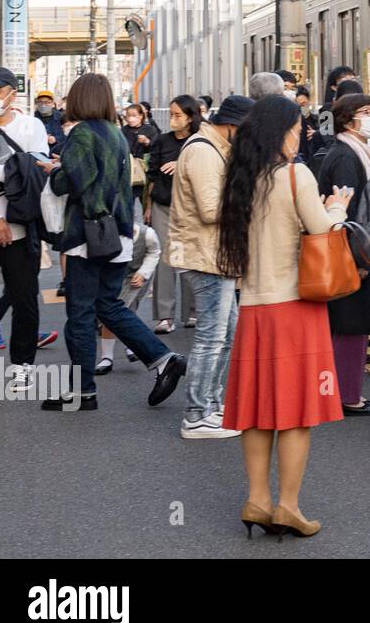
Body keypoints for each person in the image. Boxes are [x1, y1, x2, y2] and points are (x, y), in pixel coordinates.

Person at [217, 95, 350, 538]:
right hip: (295, 307)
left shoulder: (241, 179)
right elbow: (322, 231)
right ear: (282, 132)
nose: (302, 135)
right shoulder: (296, 175)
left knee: (256, 410)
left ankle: (256, 499)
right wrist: (338, 209)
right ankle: (288, 506)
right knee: (296, 412)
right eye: (297, 128)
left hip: (253, 308)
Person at [42, 73, 187, 412]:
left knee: (80, 313)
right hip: (119, 232)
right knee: (108, 305)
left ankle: (82, 391)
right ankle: (164, 359)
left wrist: (53, 171)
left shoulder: (80, 135)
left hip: (88, 235)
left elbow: (73, 183)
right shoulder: (116, 134)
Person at [167, 94, 252, 439]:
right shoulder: (203, 150)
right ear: (233, 126)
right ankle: (197, 414)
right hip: (204, 255)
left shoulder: (215, 147)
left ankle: (212, 405)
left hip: (214, 255)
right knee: (211, 338)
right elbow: (210, 209)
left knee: (226, 335)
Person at [0, 67, 51, 402]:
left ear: (11, 94)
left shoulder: (30, 125)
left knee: (24, 297)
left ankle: (22, 364)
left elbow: (36, 169)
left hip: (23, 226)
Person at [315, 93, 370, 416]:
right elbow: (349, 212)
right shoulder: (345, 156)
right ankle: (347, 395)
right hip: (350, 254)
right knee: (350, 326)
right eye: (366, 112)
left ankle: (342, 391)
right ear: (347, 119)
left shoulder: (357, 151)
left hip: (353, 251)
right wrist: (358, 260)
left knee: (349, 326)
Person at [146, 94, 199, 334]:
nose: (173, 119)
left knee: (192, 259)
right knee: (163, 259)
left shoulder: (200, 141)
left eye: (178, 115)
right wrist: (147, 206)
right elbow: (152, 176)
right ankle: (164, 316)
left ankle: (193, 312)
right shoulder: (161, 141)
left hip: (192, 207)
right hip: (163, 205)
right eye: (171, 114)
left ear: (190, 117)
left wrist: (182, 163)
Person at [95, 219, 161, 376]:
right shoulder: (106, 235)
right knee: (113, 311)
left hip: (138, 276)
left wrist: (144, 273)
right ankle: (109, 356)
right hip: (114, 275)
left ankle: (122, 350)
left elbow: (154, 252)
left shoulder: (147, 234)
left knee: (123, 310)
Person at [33, 90, 65, 156]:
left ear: (52, 103)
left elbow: (68, 135)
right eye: (40, 102)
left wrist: (56, 139)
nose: (43, 105)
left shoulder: (61, 117)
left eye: (47, 102)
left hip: (56, 155)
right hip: (38, 154)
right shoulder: (33, 117)